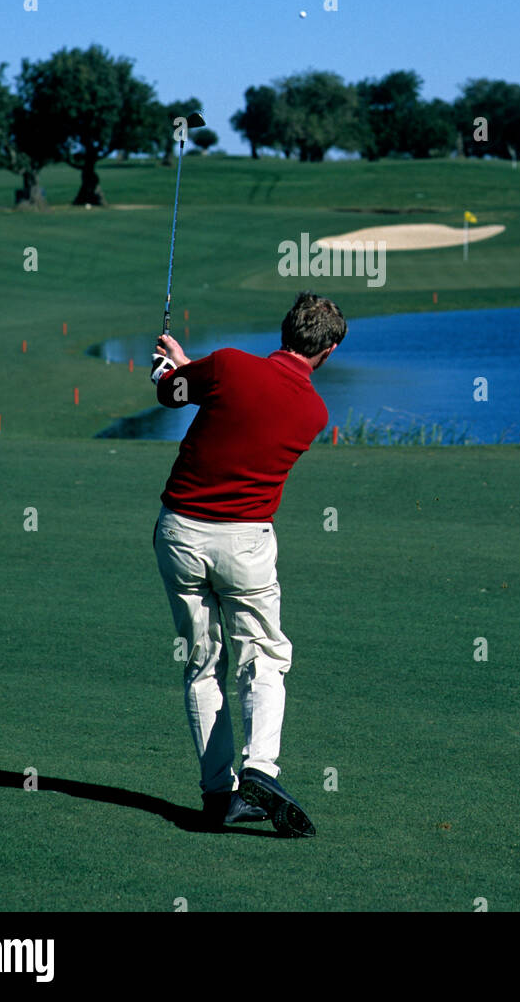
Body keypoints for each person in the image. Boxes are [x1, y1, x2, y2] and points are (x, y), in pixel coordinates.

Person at [150, 291, 347, 836]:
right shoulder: (314, 412)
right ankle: (260, 769)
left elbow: (173, 394)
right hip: (245, 543)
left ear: (283, 330)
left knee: (202, 661)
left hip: (179, 533)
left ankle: (219, 795)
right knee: (263, 657)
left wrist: (173, 369)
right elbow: (251, 410)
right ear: (328, 351)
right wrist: (192, 374)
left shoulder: (231, 364)